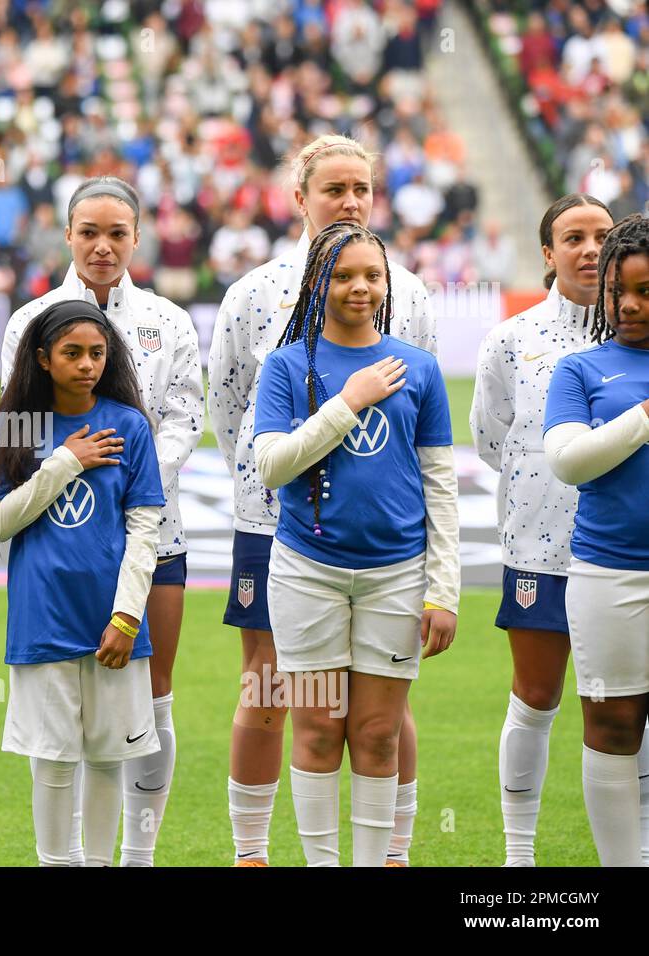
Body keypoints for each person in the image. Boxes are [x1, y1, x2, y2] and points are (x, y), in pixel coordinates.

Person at [207, 134, 436, 866]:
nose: (349, 201)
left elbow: (419, 409)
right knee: (271, 689)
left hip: (380, 537)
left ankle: (390, 852)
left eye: (361, 189)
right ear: (298, 198)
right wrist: (273, 486)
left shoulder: (409, 290)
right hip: (273, 524)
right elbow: (230, 409)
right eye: (333, 189)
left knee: (382, 707)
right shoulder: (253, 294)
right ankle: (251, 852)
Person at [1, 176, 201, 865]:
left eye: (118, 232)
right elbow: (18, 431)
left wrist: (129, 476)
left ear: (137, 238)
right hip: (56, 543)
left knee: (151, 701)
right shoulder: (29, 322)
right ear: (67, 234)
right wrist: (79, 471)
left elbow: (184, 417)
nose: (103, 245)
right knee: (58, 735)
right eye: (89, 231)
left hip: (151, 534)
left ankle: (136, 856)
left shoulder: (169, 321)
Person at [254, 221, 459, 866]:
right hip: (306, 573)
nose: (359, 288)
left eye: (372, 275)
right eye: (343, 276)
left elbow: (440, 484)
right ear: (318, 282)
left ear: (387, 281)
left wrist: (443, 588)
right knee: (316, 730)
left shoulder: (419, 368)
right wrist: (347, 402)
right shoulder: (287, 366)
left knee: (375, 734)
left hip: (396, 577)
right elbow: (272, 466)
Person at [470, 194, 635, 866]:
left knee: (628, 707)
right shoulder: (514, 339)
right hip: (541, 546)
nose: (591, 248)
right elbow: (490, 437)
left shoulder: (636, 330)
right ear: (548, 253)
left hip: (626, 555)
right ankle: (519, 854)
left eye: (603, 236)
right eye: (574, 237)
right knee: (536, 698)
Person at [0, 299, 166, 866]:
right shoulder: (14, 426)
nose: (86, 363)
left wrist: (127, 615)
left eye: (96, 353)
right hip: (43, 617)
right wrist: (64, 461)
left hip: (113, 619)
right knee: (54, 759)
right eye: (71, 353)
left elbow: (144, 530)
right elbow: (0, 521)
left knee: (110, 756)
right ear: (41, 359)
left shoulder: (129, 425)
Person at [544, 213, 649, 867]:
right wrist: (642, 416)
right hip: (607, 574)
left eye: (646, 290)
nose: (631, 305)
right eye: (620, 292)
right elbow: (570, 461)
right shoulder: (580, 370)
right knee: (612, 726)